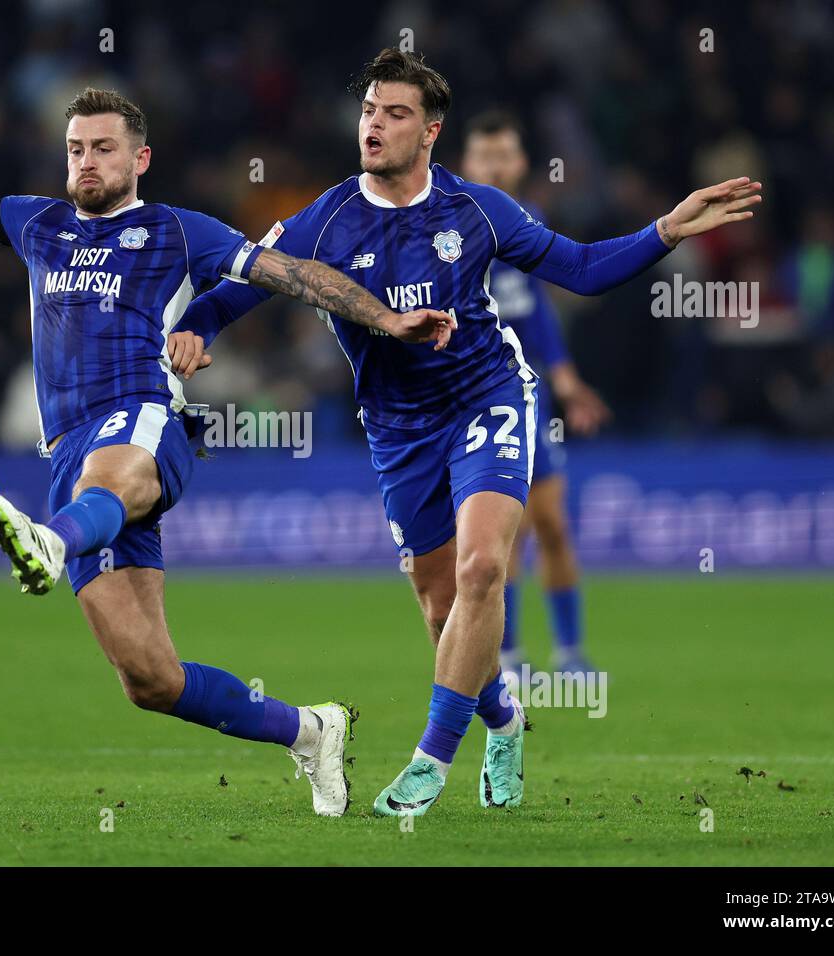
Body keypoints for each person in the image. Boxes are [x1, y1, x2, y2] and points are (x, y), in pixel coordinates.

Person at [0, 86, 454, 818]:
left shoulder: (177, 231)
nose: (86, 162)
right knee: (149, 680)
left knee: (107, 473)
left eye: (102, 148)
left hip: (144, 422)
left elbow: (289, 274)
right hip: (70, 456)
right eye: (75, 149)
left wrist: (384, 317)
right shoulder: (40, 225)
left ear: (140, 157)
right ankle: (311, 731)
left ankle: (46, 540)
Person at [170, 49, 762, 815]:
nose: (375, 125)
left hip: (488, 401)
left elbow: (581, 269)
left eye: (395, 114)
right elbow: (240, 286)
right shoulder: (327, 218)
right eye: (368, 111)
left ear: (430, 131)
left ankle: (430, 761)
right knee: (443, 609)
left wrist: (665, 231)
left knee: (486, 570)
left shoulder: (478, 209)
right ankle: (505, 721)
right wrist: (194, 325)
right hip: (398, 431)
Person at [461, 109, 611, 679]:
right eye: (485, 156)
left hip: (531, 395)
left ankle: (570, 654)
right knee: (504, 532)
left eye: (505, 155)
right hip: (475, 394)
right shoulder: (452, 224)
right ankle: (509, 653)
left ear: (521, 162)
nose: (496, 166)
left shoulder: (531, 219)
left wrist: (566, 376)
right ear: (467, 163)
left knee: (550, 522)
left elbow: (536, 305)